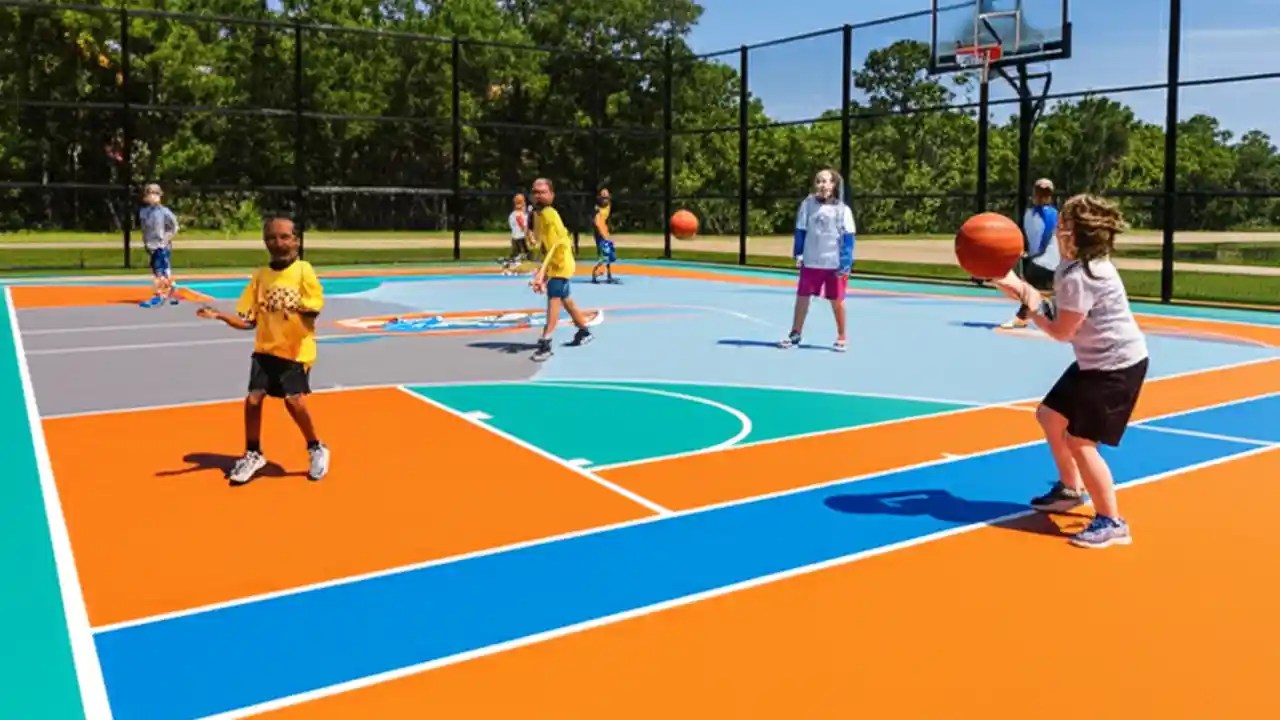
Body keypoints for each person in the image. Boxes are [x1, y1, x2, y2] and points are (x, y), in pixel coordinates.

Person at [992, 193, 1149, 549]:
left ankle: (1112, 520)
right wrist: (1017, 286)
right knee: (1050, 416)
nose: (1058, 229)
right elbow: (1055, 310)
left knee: (1080, 441)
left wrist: (1026, 300)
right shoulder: (1073, 267)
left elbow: (1061, 331)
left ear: (1076, 235)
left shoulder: (1084, 275)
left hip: (1115, 367)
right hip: (1097, 360)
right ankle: (1071, 489)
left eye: (1063, 224)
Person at [196, 217, 331, 485]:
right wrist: (220, 316)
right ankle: (253, 453)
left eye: (284, 237)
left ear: (296, 241)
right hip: (265, 350)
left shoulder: (304, 270)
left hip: (295, 351)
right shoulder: (260, 276)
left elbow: (314, 308)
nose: (277, 243)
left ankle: (316, 446)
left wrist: (294, 304)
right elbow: (249, 321)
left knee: (293, 401)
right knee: (253, 400)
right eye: (271, 238)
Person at [779, 168, 856, 352]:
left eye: (826, 181)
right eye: (818, 181)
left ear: (833, 185)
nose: (822, 185)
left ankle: (841, 335)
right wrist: (798, 253)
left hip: (833, 263)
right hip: (812, 261)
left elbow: (848, 238)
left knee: (837, 300)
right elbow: (800, 230)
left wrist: (845, 263)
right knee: (802, 298)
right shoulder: (807, 205)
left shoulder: (843, 210)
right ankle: (795, 333)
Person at [528, 178, 593, 362]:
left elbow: (556, 245)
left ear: (551, 195)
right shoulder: (539, 215)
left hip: (561, 264)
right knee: (566, 300)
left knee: (554, 300)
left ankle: (546, 342)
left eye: (542, 191)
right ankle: (584, 331)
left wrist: (542, 273)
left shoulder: (549, 214)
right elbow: (545, 245)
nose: (538, 195)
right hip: (557, 264)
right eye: (535, 192)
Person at [1000, 178, 1060, 329]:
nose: (1041, 196)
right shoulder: (1029, 214)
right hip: (1039, 260)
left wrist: (1037, 252)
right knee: (1037, 289)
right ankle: (1043, 312)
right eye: (1039, 192)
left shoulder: (1052, 213)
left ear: (1050, 196)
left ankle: (1024, 316)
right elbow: (1027, 235)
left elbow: (1047, 234)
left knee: (1032, 288)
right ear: (1034, 193)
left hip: (1048, 260)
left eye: (1045, 193)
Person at [138, 183, 180, 308]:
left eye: (155, 194)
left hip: (162, 246)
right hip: (151, 245)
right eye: (149, 194)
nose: (152, 196)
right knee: (163, 271)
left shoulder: (164, 212)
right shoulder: (144, 212)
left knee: (159, 271)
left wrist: (164, 240)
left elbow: (174, 227)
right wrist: (146, 242)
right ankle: (173, 293)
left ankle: (159, 295)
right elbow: (145, 229)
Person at [591, 188, 619, 284]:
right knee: (604, 255)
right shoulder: (597, 211)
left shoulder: (608, 206)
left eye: (607, 198)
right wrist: (602, 236)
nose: (605, 200)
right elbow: (596, 223)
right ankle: (595, 273)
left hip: (605, 233)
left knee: (610, 255)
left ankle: (609, 274)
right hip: (600, 235)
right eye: (603, 198)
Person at [501, 193, 529, 276]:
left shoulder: (513, 215)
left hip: (515, 236)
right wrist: (528, 234)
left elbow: (512, 225)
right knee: (522, 254)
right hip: (521, 237)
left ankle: (508, 265)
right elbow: (522, 225)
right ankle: (516, 267)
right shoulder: (519, 215)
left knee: (516, 253)